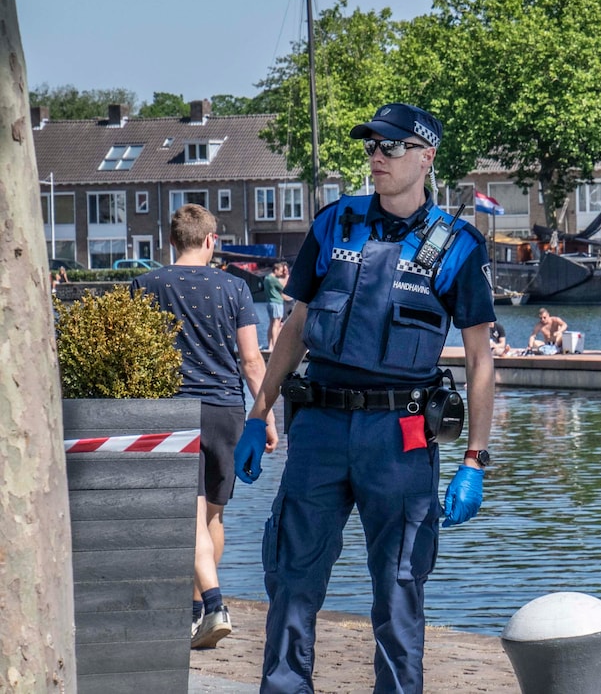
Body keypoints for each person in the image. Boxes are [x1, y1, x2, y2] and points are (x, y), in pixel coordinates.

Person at [232, 102, 497, 693]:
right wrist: (259, 413)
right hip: (319, 429)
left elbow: (481, 359)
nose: (376, 156)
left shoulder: (457, 245)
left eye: (391, 146)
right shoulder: (334, 223)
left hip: (400, 437)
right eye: (371, 146)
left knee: (399, 586)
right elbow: (296, 326)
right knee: (292, 577)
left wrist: (474, 459)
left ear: (426, 157)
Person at [130, 204, 277, 649]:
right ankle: (197, 613)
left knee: (188, 514)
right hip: (226, 410)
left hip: (172, 411)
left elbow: (135, 357)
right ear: (211, 241)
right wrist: (265, 417)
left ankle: (212, 605)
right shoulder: (235, 288)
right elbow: (252, 361)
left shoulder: (145, 285)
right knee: (212, 513)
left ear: (171, 242)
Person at [262, 260, 289, 350]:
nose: (281, 273)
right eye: (280, 271)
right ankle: (275, 345)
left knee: (271, 324)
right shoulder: (273, 279)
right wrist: (286, 277)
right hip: (277, 303)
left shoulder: (266, 278)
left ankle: (270, 345)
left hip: (269, 302)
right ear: (276, 270)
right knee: (276, 324)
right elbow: (283, 288)